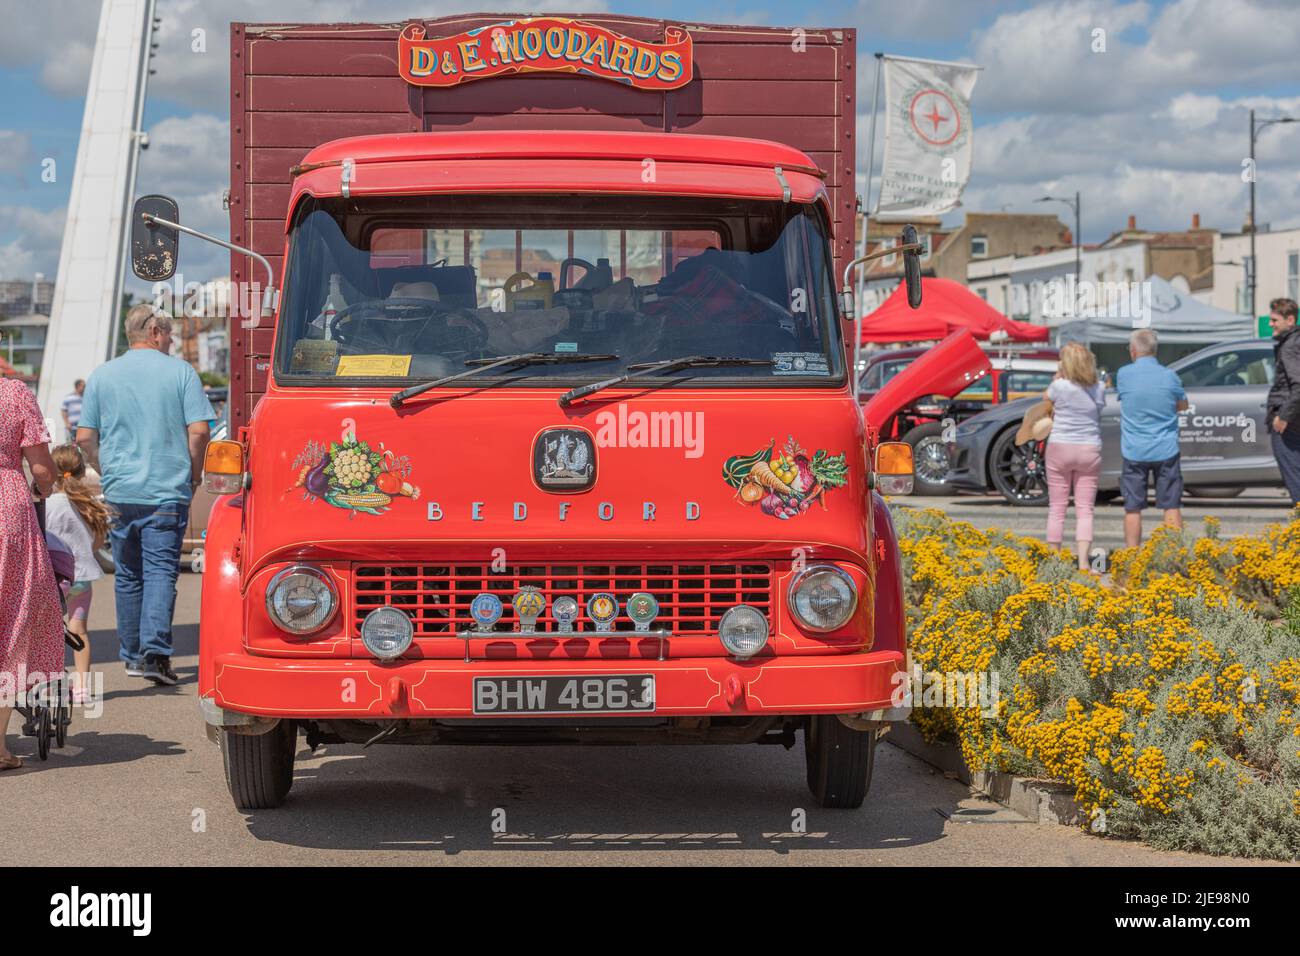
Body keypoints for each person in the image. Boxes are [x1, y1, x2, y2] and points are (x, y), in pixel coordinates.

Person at [77, 305, 214, 686]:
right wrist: (194, 473)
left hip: (121, 490)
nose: (170, 342)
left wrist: (108, 470)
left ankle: (133, 656)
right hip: (166, 489)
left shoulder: (102, 376)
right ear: (154, 331)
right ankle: (155, 654)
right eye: (168, 335)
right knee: (159, 572)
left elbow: (85, 439)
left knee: (128, 575)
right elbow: (200, 431)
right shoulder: (181, 372)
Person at [0, 378, 66, 770]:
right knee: (12, 622)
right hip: (7, 510)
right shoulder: (13, 393)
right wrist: (47, 485)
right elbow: (42, 468)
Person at [46, 444, 111, 703]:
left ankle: (48, 685)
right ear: (82, 472)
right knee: (79, 629)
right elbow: (97, 542)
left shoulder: (46, 505)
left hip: (54, 578)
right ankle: (82, 687)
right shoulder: (87, 504)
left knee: (49, 631)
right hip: (82, 578)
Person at [1117, 328, 1188, 547]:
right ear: (1155, 350)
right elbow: (1182, 405)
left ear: (1133, 351)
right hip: (1166, 449)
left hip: (1134, 450)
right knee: (1171, 505)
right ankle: (1174, 557)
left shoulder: (1123, 374)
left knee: (1133, 507)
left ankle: (1132, 558)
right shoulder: (1170, 376)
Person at [1043, 343, 1106, 570]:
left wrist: (1057, 377)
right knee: (1085, 509)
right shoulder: (1098, 387)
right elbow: (1098, 411)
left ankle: (1054, 561)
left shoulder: (1059, 386)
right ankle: (1083, 563)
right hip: (1089, 448)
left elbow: (1045, 405)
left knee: (1057, 507)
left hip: (1060, 447)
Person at [1265, 297, 1300, 506]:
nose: (1270, 324)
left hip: (1289, 421)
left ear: (1290, 320)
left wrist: (1283, 416)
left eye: (1274, 320)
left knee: (1294, 475)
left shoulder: (1289, 347)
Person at [61, 378, 85, 443]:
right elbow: (63, 411)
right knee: (71, 448)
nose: (85, 387)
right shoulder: (68, 398)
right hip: (72, 428)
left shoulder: (86, 398)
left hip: (83, 428)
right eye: (83, 386)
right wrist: (67, 423)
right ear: (77, 386)